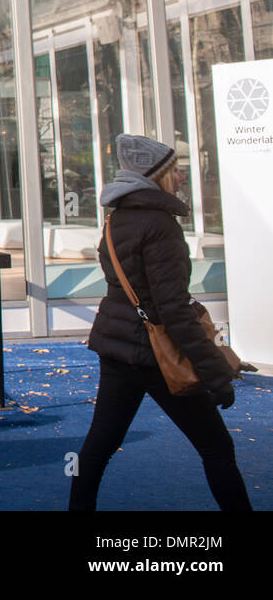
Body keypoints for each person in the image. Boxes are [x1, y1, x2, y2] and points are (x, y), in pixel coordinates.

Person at [69, 134, 251, 511]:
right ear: (156, 175)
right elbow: (174, 311)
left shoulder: (115, 218)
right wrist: (217, 376)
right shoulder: (161, 226)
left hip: (116, 345)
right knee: (217, 448)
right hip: (155, 353)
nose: (181, 177)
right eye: (175, 170)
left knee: (97, 448)